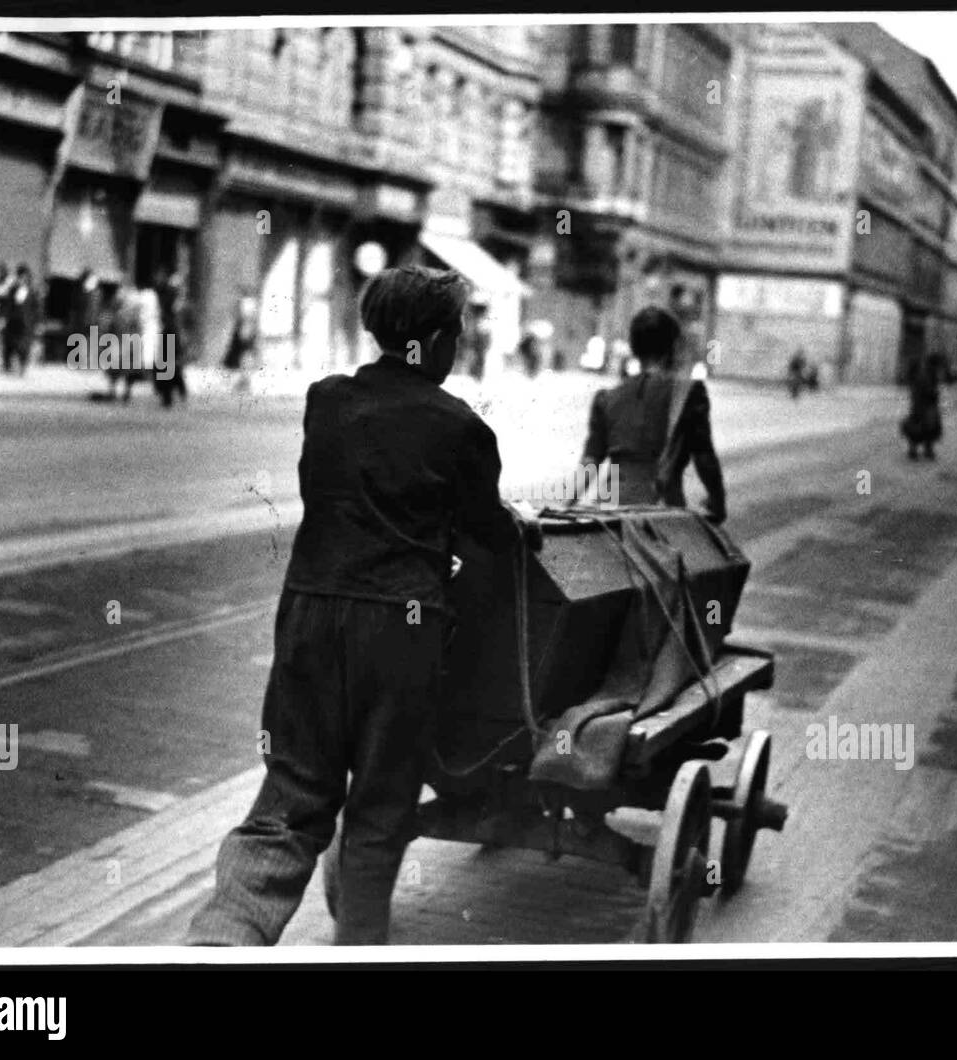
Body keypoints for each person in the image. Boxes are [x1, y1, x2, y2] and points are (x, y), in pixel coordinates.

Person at [187, 266, 529, 947]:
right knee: (377, 811)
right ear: (429, 342)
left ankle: (219, 943)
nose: (458, 346)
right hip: (399, 631)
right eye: (455, 334)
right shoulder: (460, 426)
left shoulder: (328, 401)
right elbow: (486, 533)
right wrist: (517, 525)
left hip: (310, 614)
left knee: (289, 800)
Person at [571, 305, 726, 522]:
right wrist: (718, 502)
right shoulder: (689, 394)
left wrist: (567, 502)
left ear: (634, 349)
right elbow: (704, 457)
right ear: (672, 347)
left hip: (608, 510)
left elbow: (591, 459)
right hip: (660, 509)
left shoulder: (607, 398)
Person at [152, 267, 188, 407]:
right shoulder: (165, 294)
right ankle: (175, 391)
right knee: (168, 364)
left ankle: (170, 395)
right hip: (167, 331)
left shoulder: (169, 295)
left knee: (167, 364)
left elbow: (172, 314)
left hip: (169, 331)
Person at [901, 353, 943, 460]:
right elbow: (927, 390)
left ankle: (922, 450)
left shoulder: (928, 372)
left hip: (923, 406)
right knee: (922, 428)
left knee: (926, 428)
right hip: (924, 406)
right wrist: (934, 394)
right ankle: (916, 450)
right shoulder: (926, 374)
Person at [2, 264, 39, 374]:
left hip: (26, 323)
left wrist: (38, 323)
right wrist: (3, 318)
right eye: (20, 277)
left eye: (24, 277)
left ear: (27, 277)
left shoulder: (32, 291)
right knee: (10, 344)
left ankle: (23, 366)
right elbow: (8, 305)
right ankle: (8, 365)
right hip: (13, 322)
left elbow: (36, 308)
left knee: (24, 346)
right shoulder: (13, 290)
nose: (22, 279)